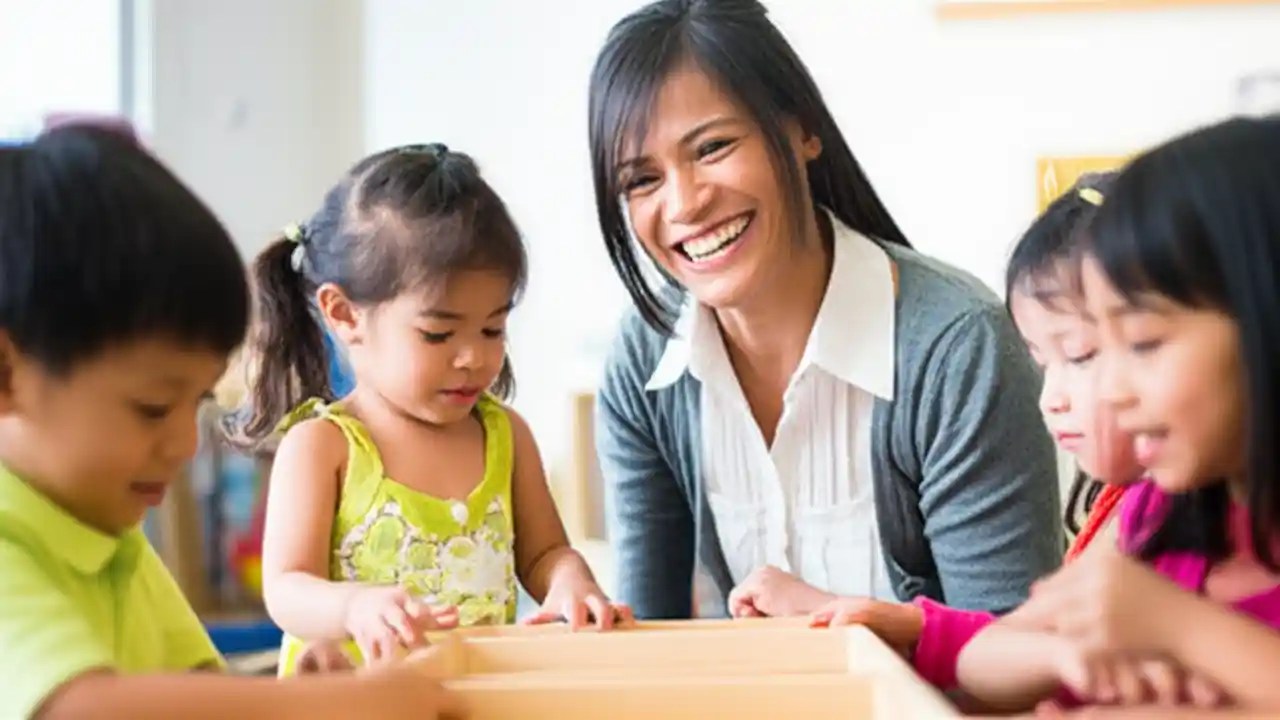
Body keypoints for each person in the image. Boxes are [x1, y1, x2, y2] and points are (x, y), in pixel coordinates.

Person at [589, 0, 1061, 621]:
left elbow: (1012, 654)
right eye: (641, 180)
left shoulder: (956, 349)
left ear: (802, 129)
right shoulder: (643, 359)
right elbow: (650, 636)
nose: (684, 204)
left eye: (712, 147)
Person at [0, 126, 459, 719]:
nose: (186, 444)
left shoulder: (111, 537)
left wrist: (300, 697)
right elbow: (80, 710)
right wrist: (330, 709)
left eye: (196, 405)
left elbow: (197, 688)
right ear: (7, 375)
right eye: (153, 408)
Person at [234, 143, 629, 676]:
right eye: (438, 333)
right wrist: (353, 607)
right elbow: (286, 589)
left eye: (493, 328)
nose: (473, 356)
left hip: (478, 698)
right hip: (353, 706)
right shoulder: (325, 446)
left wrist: (569, 580)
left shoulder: (505, 436)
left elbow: (543, 554)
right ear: (345, 313)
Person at [957, 115, 1280, 714]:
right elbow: (981, 663)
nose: (1113, 389)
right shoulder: (1162, 514)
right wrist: (1065, 658)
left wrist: (1179, 628)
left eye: (1142, 343)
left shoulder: (1156, 586)